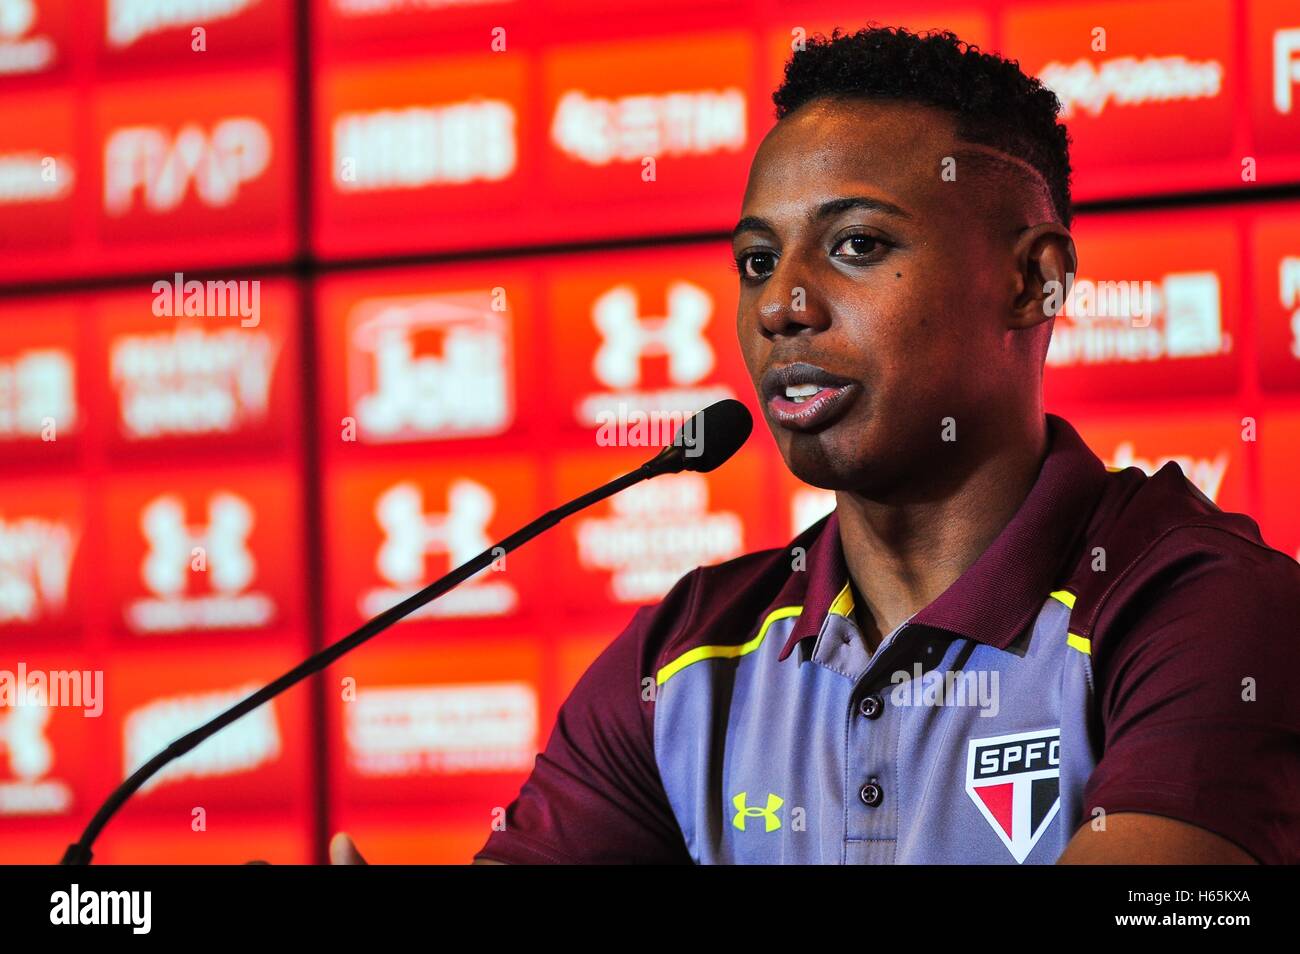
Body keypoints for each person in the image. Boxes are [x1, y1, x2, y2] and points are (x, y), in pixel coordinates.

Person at [332, 25, 1300, 865]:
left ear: (1030, 283)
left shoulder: (1202, 609)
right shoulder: (680, 658)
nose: (781, 306)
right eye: (758, 262)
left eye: (857, 246)